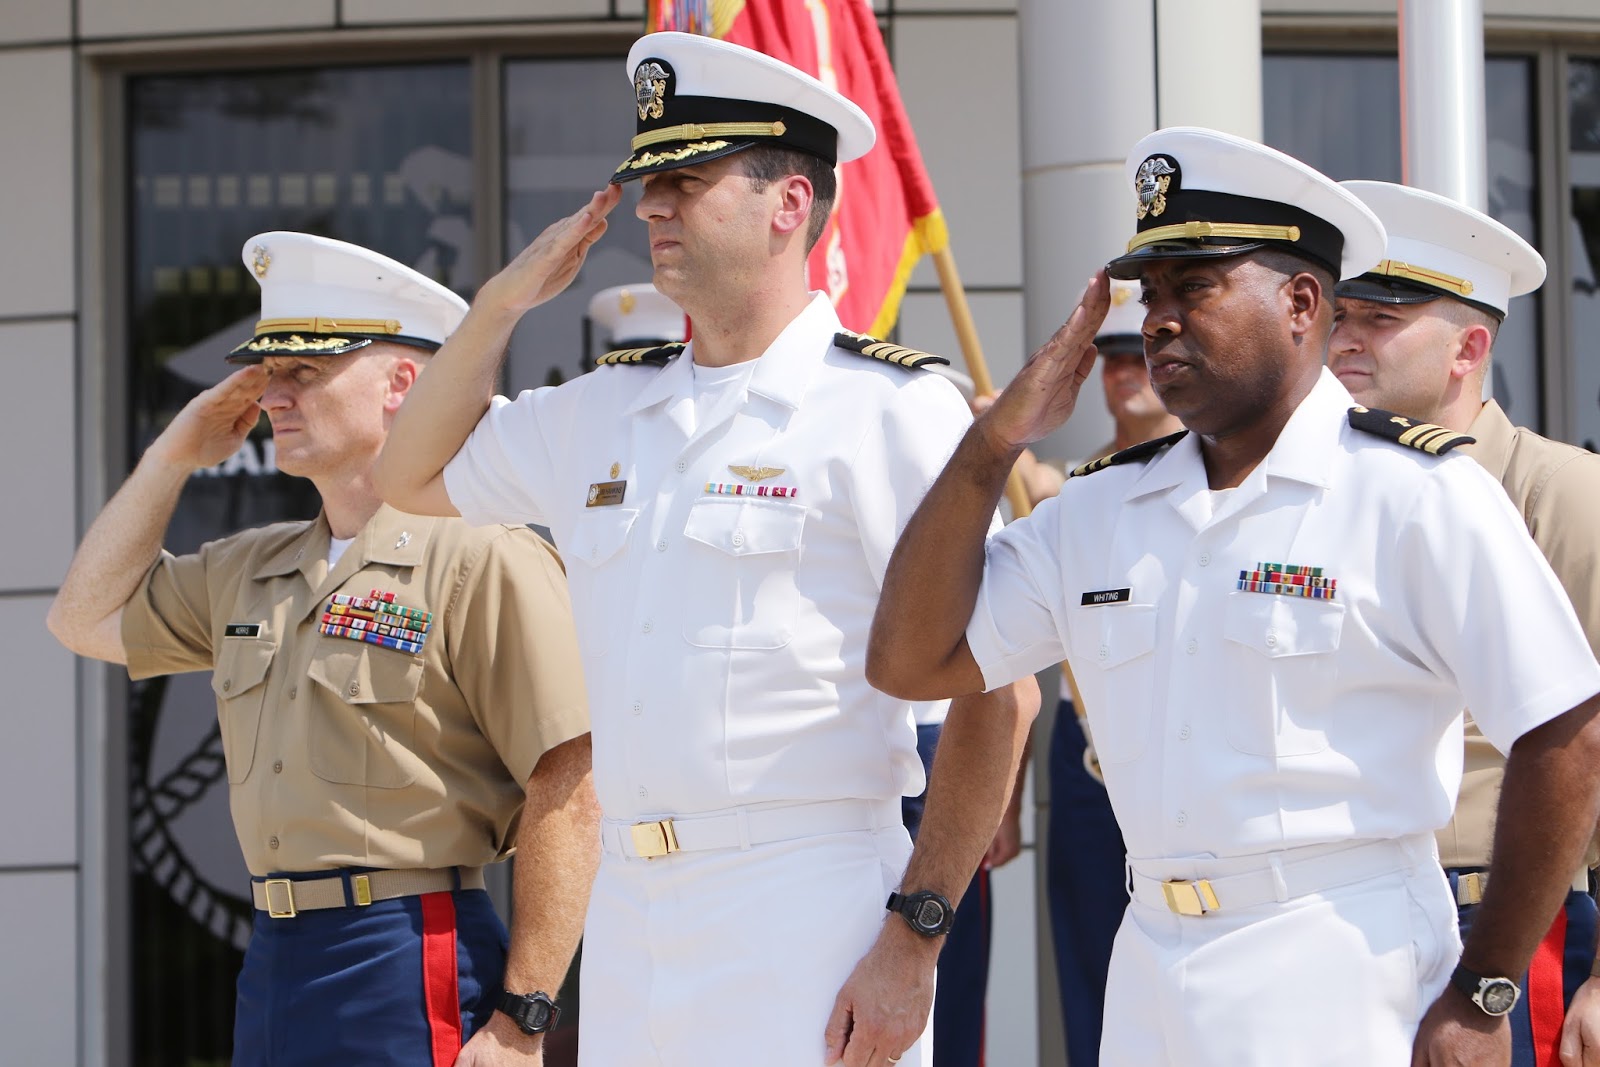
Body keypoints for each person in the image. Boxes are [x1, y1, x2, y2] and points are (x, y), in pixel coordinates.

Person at [866, 125, 1600, 1066]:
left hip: (1343, 962)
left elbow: (1565, 733)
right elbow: (909, 660)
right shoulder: (1102, 507)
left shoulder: (1418, 495)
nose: (1159, 319)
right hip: (1152, 968)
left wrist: (1486, 987)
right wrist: (993, 442)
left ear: (1301, 302)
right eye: (1152, 292)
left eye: (1196, 287)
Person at [372, 30, 1037, 1067]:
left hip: (808, 900)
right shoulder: (608, 408)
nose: (651, 206)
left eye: (686, 179)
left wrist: (916, 935)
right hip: (636, 912)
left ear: (789, 205)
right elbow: (406, 477)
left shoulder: (890, 412)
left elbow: (1001, 690)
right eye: (648, 182)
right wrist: (501, 303)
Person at [46, 233, 599, 1067]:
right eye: (271, 373)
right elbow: (82, 619)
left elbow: (570, 780)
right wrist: (172, 456)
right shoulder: (254, 565)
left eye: (306, 370)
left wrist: (524, 1015)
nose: (274, 395)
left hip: (412, 945)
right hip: (276, 953)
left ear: (401, 386)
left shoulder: (481, 553)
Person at [1328, 179, 1600, 1067]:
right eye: (1342, 313)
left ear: (1469, 347)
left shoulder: (1562, 491)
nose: (1346, 337)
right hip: (1338, 916)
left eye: (1381, 318)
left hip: (1506, 921)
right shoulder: (1315, 491)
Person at [1022, 277, 1184, 1065]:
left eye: (1139, 357)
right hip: (1088, 756)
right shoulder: (1075, 491)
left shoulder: (1214, 476)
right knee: (1092, 968)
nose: (1126, 375)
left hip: (1178, 754)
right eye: (1112, 361)